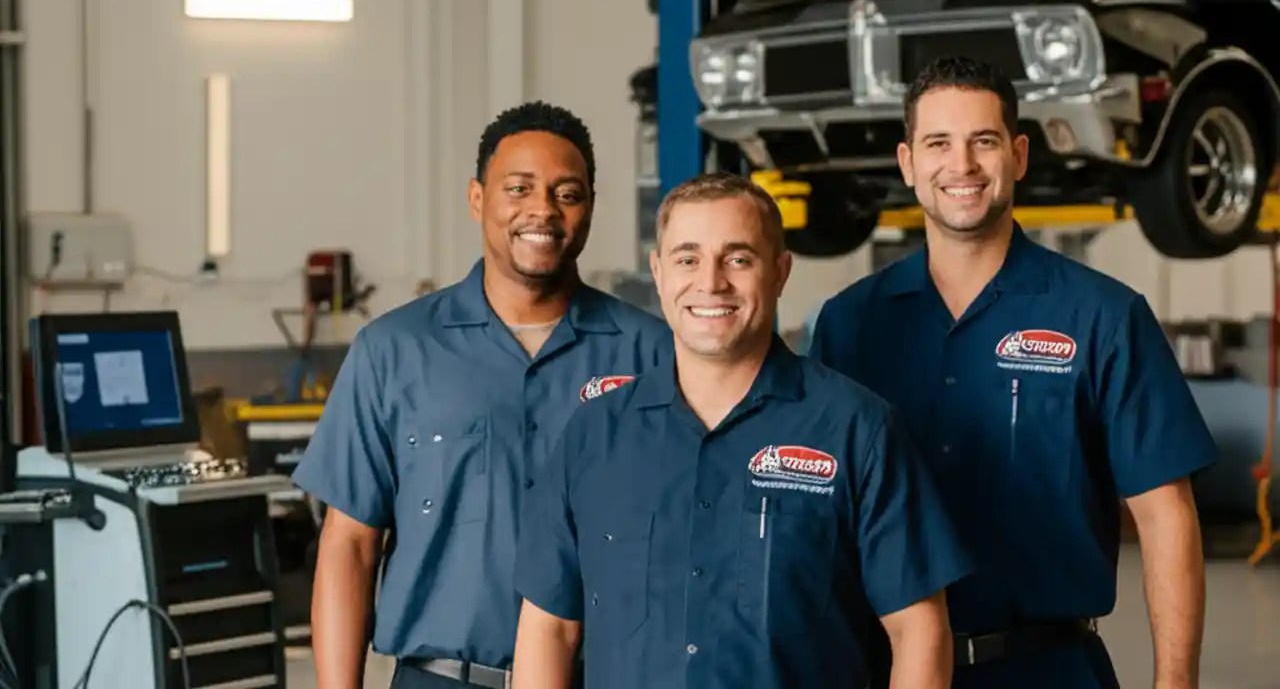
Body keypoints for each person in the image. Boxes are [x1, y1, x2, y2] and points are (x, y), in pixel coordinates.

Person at [809, 56, 1217, 689]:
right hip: (887, 670)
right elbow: (816, 518)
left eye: (984, 141)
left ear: (1019, 155)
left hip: (1050, 670)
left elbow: (1166, 515)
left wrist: (1176, 684)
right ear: (907, 163)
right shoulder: (849, 325)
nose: (962, 165)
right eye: (938, 143)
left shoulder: (1103, 318)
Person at [510, 172, 973, 689]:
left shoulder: (856, 430)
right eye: (687, 259)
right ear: (659, 273)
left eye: (738, 259)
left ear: (780, 271)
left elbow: (919, 632)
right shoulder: (595, 434)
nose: (711, 283)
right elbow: (550, 629)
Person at [291, 101, 672, 689]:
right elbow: (351, 545)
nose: (542, 209)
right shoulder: (394, 351)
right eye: (518, 188)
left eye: (567, 193)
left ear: (590, 207)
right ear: (477, 199)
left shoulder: (653, 354)